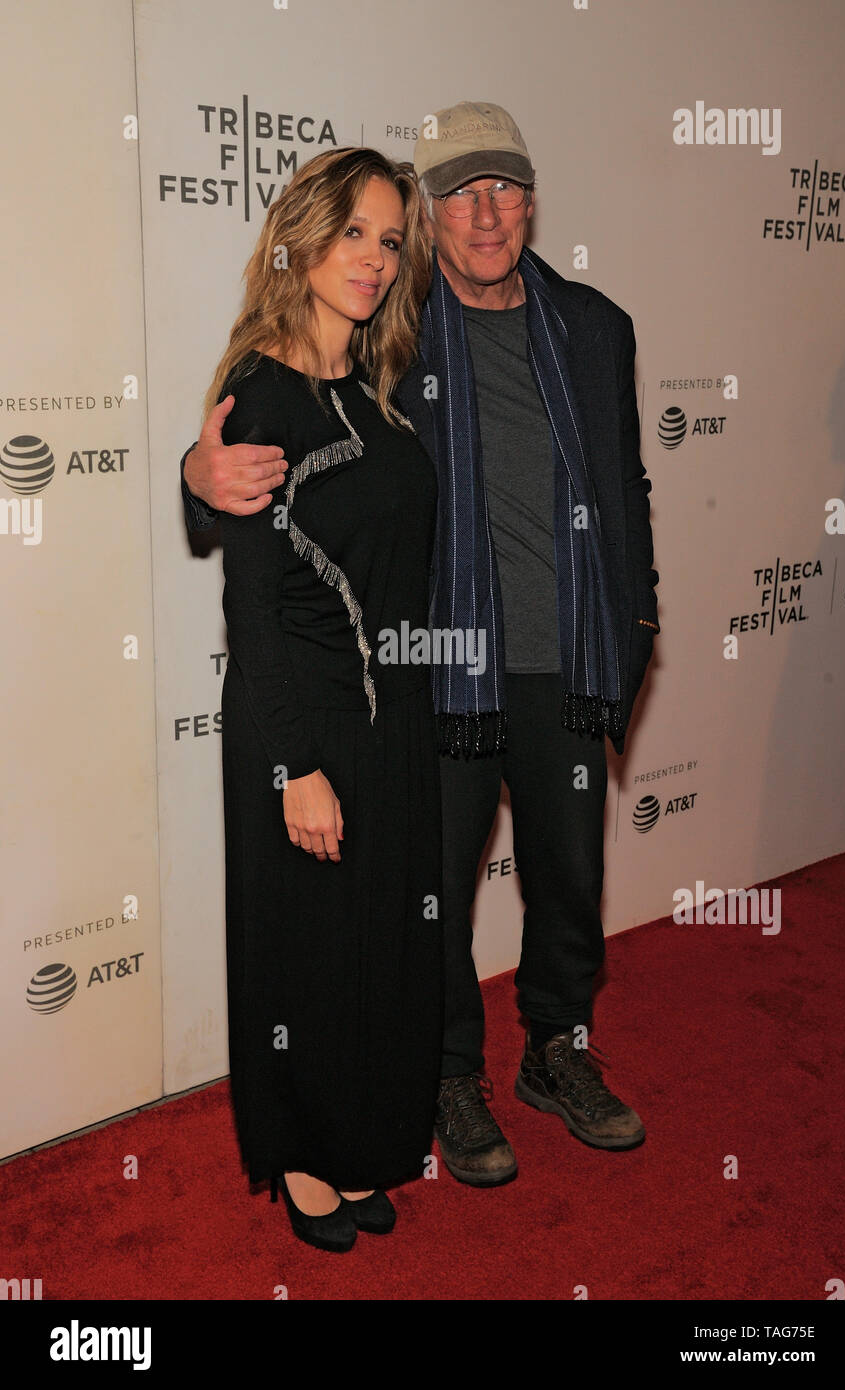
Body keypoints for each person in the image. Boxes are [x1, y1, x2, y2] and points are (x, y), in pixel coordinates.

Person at [182, 102, 659, 1190]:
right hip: (442, 665)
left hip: (569, 655)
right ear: (432, 218)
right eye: (458, 195)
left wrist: (640, 615)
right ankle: (451, 1075)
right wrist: (198, 474)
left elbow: (626, 483)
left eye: (505, 188)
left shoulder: (596, 327)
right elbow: (285, 408)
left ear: (531, 203)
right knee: (432, 891)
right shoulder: (394, 328)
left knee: (570, 878)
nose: (485, 214)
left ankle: (558, 1053)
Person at [202, 146, 442, 1252]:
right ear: (302, 239)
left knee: (369, 948)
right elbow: (252, 608)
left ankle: (351, 1140)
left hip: (388, 717)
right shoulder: (258, 394)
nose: (375, 259)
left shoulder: (375, 389)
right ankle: (296, 1151)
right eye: (354, 232)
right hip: (294, 720)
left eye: (390, 240)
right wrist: (295, 764)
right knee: (303, 950)